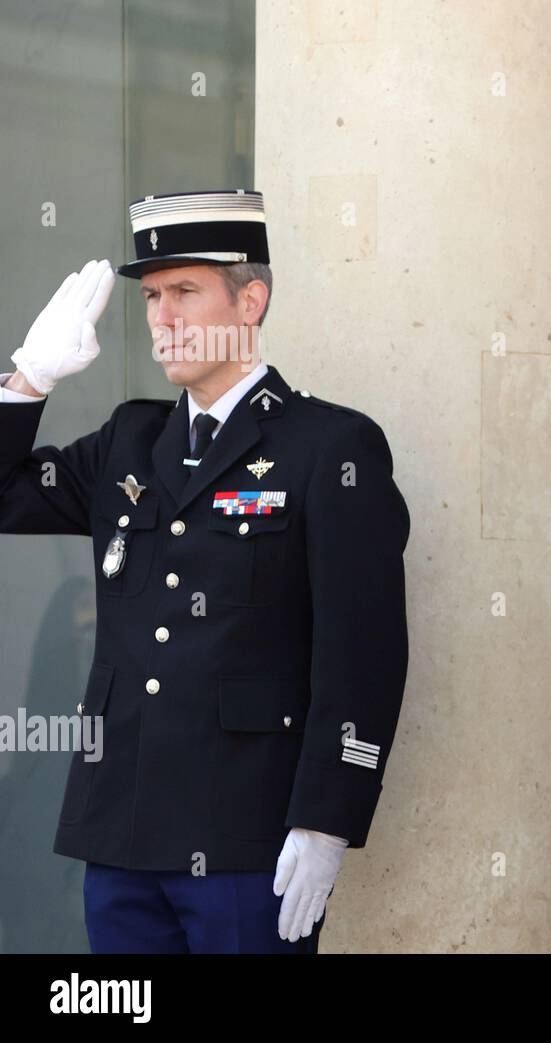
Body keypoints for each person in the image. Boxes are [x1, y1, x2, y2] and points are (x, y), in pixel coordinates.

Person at [0, 190, 411, 953]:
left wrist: (327, 818)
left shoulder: (330, 447)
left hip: (246, 836)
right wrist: (27, 380)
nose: (163, 316)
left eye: (186, 291)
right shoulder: (131, 437)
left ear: (249, 300)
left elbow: (365, 654)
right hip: (120, 830)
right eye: (153, 296)